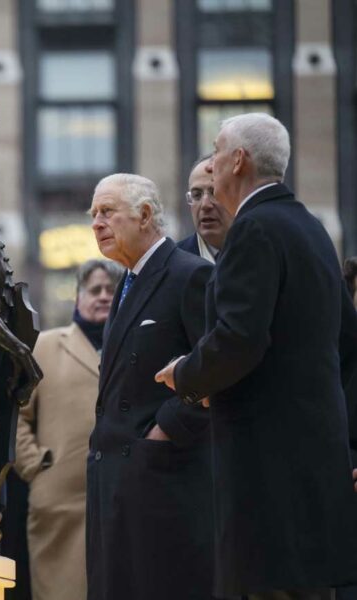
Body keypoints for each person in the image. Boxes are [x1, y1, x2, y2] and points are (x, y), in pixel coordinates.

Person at [156, 113, 357, 600]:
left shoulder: (254, 229)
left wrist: (186, 375)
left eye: (217, 151)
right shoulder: (310, 229)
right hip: (314, 464)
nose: (212, 163)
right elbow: (346, 344)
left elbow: (240, 339)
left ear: (238, 160)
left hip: (267, 469)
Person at [86, 173, 214, 600]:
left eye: (107, 211)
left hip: (165, 481)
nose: (96, 223)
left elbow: (216, 370)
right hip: (116, 480)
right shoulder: (127, 280)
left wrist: (162, 432)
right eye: (93, 215)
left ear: (144, 215)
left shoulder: (191, 275)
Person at [15, 259, 121, 600]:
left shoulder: (132, 347)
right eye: (95, 290)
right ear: (78, 298)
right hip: (60, 503)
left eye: (111, 290)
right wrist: (36, 464)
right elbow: (19, 414)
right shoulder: (46, 345)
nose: (104, 296)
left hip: (123, 497)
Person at [177, 155, 232, 263]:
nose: (205, 205)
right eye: (196, 195)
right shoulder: (172, 262)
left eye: (215, 193)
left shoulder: (261, 253)